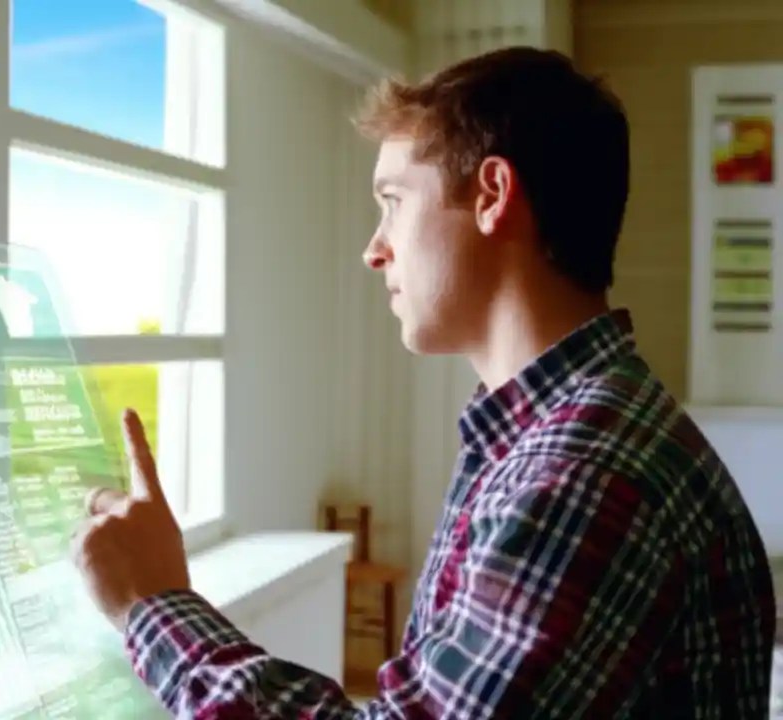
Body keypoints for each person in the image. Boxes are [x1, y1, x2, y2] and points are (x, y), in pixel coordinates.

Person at [68, 46, 778, 718]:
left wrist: (149, 600)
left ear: (494, 194)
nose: (374, 248)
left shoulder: (584, 474)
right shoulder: (560, 433)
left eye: (394, 201)